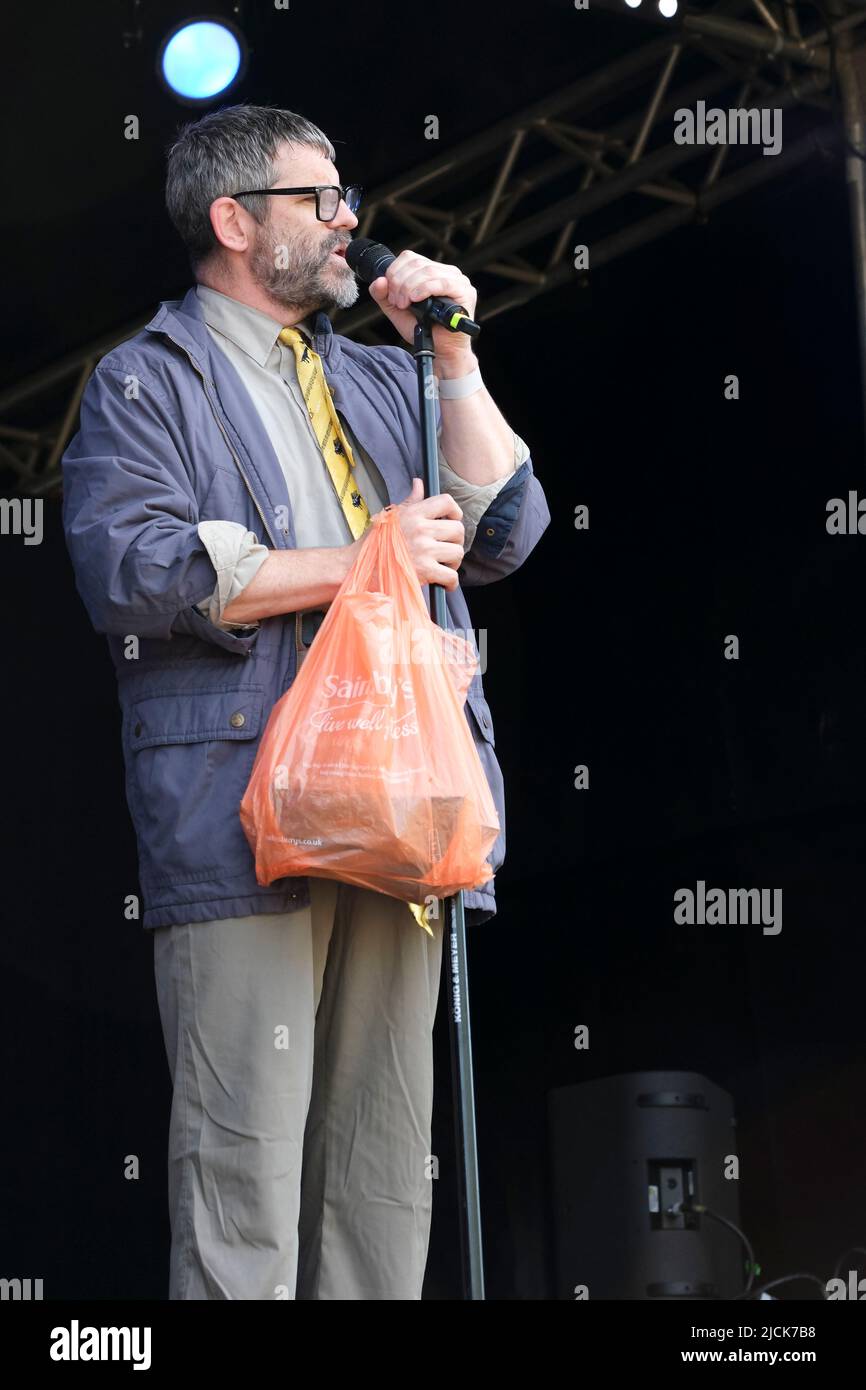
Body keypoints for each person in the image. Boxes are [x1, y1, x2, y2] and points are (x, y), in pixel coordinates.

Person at [61, 104, 550, 1300]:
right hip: (245, 810)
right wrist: (362, 557)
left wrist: (450, 352)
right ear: (233, 222)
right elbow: (136, 567)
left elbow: (507, 530)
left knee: (382, 1178)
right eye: (317, 200)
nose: (348, 222)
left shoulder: (381, 376)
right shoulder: (145, 381)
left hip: (402, 804)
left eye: (347, 198)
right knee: (246, 1167)